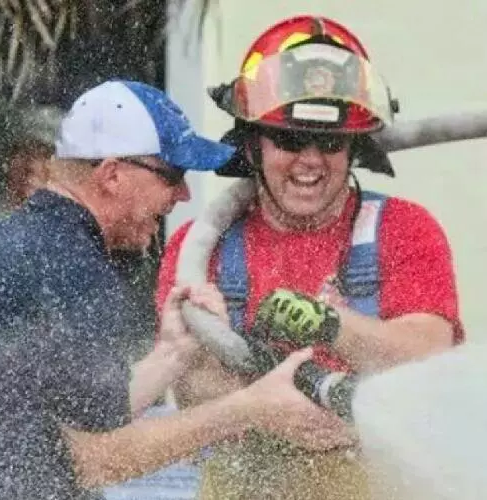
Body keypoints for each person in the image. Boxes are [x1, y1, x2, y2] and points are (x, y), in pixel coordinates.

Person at [156, 15, 464, 500]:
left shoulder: (403, 230)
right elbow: (190, 389)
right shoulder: (201, 247)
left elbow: (427, 355)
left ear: (355, 147)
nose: (311, 160)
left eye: (330, 141)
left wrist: (330, 326)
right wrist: (266, 408)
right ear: (253, 141)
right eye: (291, 139)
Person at [0, 79, 333, 500]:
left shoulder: (29, 244)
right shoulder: (70, 271)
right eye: (172, 175)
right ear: (112, 174)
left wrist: (174, 353)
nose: (183, 194)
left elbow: (86, 418)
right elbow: (96, 460)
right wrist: (252, 408)